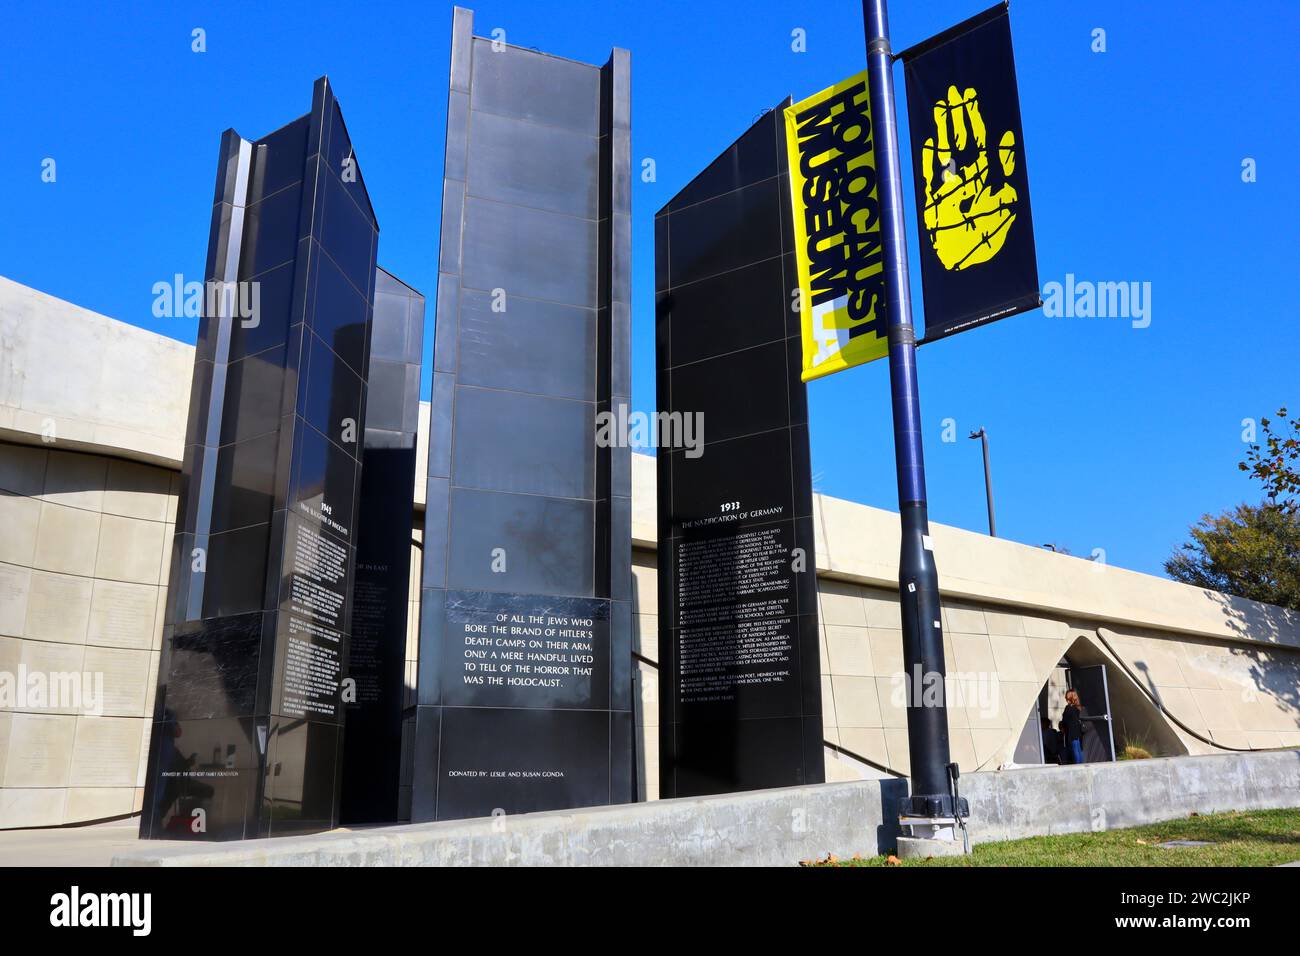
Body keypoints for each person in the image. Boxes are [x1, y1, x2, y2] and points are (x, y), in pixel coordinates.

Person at [1061, 689, 1085, 765]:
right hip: (1078, 731)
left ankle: (1078, 767)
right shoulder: (1077, 708)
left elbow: (1064, 721)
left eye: (1066, 698)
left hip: (1072, 732)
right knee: (1079, 750)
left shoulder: (1068, 708)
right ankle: (1082, 766)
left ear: (1069, 698)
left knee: (1075, 750)